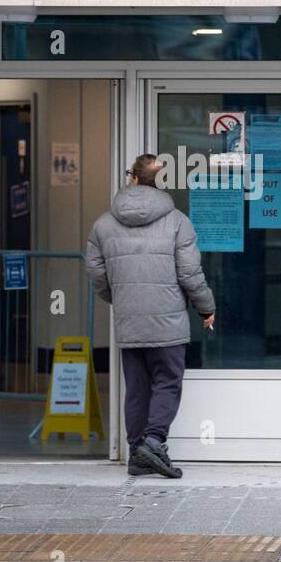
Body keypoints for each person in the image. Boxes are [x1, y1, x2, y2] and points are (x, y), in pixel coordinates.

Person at [86, 153, 215, 478]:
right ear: (161, 182)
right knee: (167, 382)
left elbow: (96, 273)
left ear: (132, 177)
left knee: (138, 387)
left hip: (129, 319)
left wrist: (120, 298)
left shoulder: (103, 224)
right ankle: (154, 441)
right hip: (168, 320)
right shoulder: (177, 221)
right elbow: (189, 273)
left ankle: (136, 455)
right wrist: (206, 307)